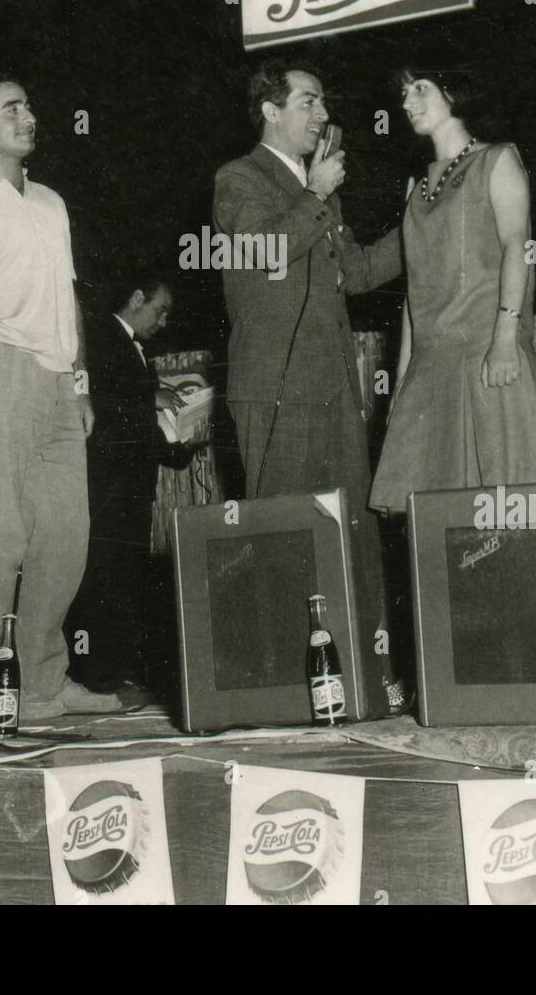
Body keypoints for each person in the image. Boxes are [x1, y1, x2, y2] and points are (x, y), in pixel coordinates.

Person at [0, 74, 119, 722]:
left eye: (30, 104)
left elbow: (69, 300)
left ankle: (41, 681)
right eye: (12, 107)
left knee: (65, 536)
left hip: (58, 381)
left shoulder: (50, 203)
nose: (29, 115)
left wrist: (81, 380)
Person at [214, 63, 404, 701]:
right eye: (308, 102)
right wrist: (315, 194)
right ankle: (278, 683)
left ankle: (353, 677)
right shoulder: (238, 178)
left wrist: (421, 225)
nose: (322, 115)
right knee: (283, 538)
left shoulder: (323, 193)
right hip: (274, 388)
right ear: (270, 110)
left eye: (324, 102)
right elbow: (259, 251)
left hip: (332, 392)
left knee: (347, 532)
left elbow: (354, 274)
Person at [370, 70, 536, 511]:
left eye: (421, 89)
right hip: (432, 369)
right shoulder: (414, 191)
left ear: (453, 93)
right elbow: (414, 297)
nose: (407, 102)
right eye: (403, 93)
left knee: (512, 511)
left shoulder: (497, 160)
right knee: (441, 524)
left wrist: (506, 339)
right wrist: (402, 382)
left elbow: (519, 247)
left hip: (488, 355)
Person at [66, 273, 202, 694]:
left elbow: (141, 425)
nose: (162, 322)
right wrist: (150, 400)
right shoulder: (101, 338)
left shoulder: (138, 351)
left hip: (131, 488)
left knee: (123, 576)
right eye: (159, 310)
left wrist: (183, 440)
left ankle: (113, 667)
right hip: (104, 486)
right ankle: (91, 672)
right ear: (137, 297)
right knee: (100, 576)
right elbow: (94, 405)